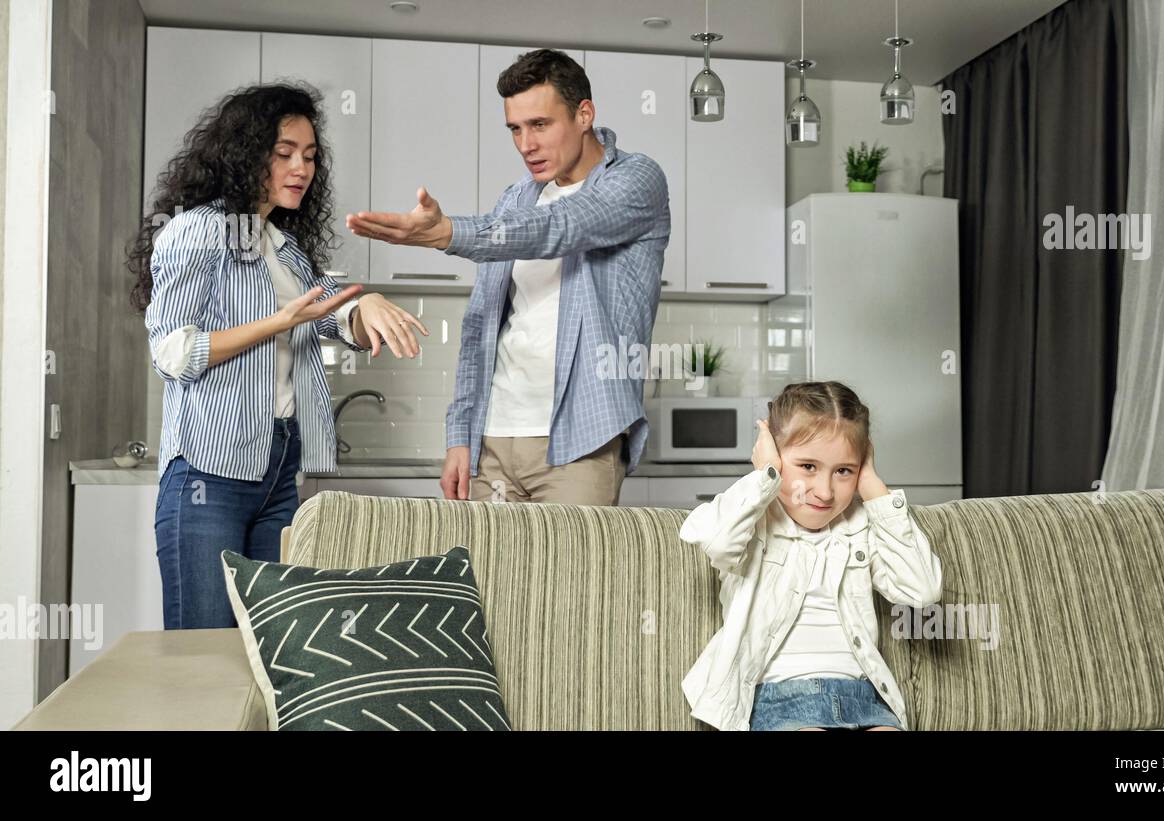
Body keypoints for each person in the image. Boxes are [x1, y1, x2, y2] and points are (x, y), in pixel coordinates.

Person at [127, 83, 429, 629]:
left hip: (279, 467)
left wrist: (369, 304)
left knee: (270, 649)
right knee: (203, 656)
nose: (301, 168)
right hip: (208, 474)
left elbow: (333, 316)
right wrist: (279, 322)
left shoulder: (283, 249)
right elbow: (171, 352)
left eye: (310, 157)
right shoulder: (196, 231)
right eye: (284, 152)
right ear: (246, 153)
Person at [346, 49, 669, 506]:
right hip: (493, 441)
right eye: (515, 129)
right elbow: (480, 324)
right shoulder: (516, 199)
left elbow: (564, 227)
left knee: (571, 579)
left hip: (580, 442)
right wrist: (461, 434)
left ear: (584, 114)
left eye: (540, 124)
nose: (525, 144)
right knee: (490, 578)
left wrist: (448, 232)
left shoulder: (636, 179)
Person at [679, 380, 944, 730]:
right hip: (779, 702)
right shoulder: (753, 521)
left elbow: (922, 591)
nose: (824, 490)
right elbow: (716, 541)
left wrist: (874, 489)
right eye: (807, 466)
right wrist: (765, 476)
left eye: (844, 471)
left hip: (863, 699)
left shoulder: (861, 526)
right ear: (773, 453)